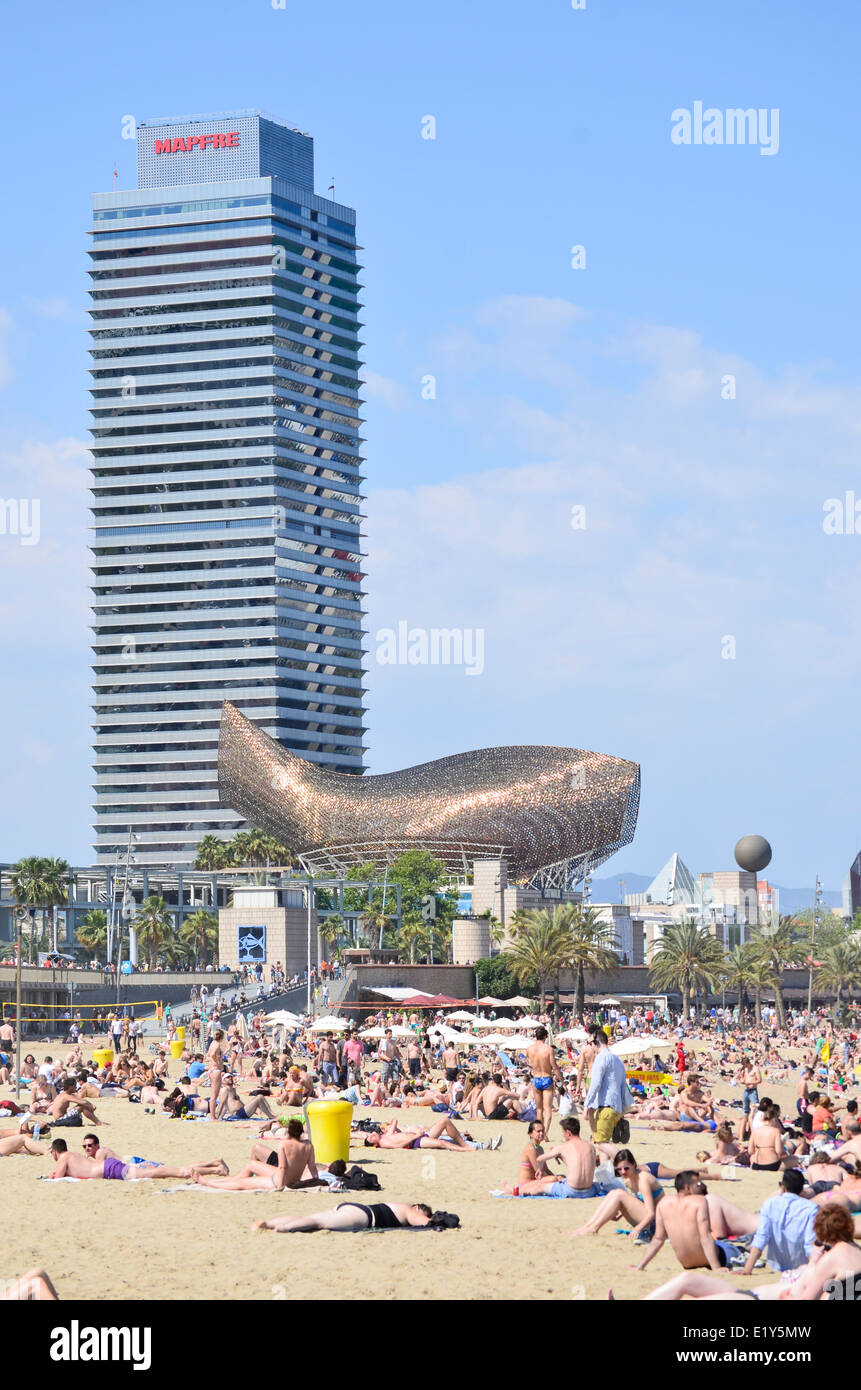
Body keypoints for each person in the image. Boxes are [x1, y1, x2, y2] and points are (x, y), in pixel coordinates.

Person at [635, 1203, 861, 1302]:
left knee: (687, 1285)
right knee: (686, 1279)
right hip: (751, 1293)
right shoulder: (848, 1256)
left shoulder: (833, 1258)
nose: (819, 1247)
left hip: (754, 1298)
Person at [635, 1171, 734, 1274]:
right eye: (698, 1184)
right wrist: (716, 1268)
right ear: (687, 1188)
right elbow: (705, 1237)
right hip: (710, 1259)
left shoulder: (663, 1203)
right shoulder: (699, 1201)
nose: (701, 1186)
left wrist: (640, 1266)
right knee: (733, 1248)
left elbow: (658, 1239)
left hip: (687, 1264)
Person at [570, 1147, 664, 1239]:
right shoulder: (628, 1180)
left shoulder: (643, 1180)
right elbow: (639, 1202)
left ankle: (594, 1228)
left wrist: (637, 1229)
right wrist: (619, 1212)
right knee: (613, 1193)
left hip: (657, 1225)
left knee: (619, 1193)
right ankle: (588, 1226)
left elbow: (651, 1213)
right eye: (619, 1169)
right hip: (647, 1220)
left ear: (634, 1164)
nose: (623, 1172)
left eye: (626, 1168)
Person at [740, 1167, 818, 1274]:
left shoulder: (770, 1204)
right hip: (802, 1265)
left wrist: (747, 1269)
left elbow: (761, 1238)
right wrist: (813, 1269)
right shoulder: (811, 1208)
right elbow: (810, 1243)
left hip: (777, 1266)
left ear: (783, 1187)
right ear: (801, 1191)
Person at [46, 1138, 227, 1182]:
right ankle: (214, 1168)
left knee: (158, 1172)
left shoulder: (64, 1157)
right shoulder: (75, 1156)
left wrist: (52, 1175)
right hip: (114, 1166)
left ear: (55, 1151)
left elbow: (59, 1178)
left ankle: (208, 1171)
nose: (87, 1149)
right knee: (158, 1171)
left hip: (114, 1169)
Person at [253, 1201, 435, 1233]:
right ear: (417, 1207)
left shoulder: (397, 1205)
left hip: (353, 1208)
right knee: (318, 1223)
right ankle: (283, 1228)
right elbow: (425, 1223)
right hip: (364, 1216)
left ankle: (268, 1223)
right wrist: (435, 1221)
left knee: (308, 1217)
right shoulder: (409, 1209)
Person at [584, 1024, 631, 1146]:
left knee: (602, 1144)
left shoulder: (601, 1058)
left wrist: (587, 1105)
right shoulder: (617, 1060)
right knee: (603, 1144)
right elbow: (623, 1086)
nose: (590, 1046)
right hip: (617, 1108)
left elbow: (595, 1083)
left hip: (606, 1106)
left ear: (596, 1042)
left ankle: (620, 1162)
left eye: (590, 1043)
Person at [526, 1026, 563, 1135]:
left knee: (539, 1109)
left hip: (536, 1079)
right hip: (547, 1078)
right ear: (545, 1036)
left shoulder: (529, 1049)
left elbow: (529, 1063)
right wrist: (562, 1082)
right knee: (548, 1110)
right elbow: (554, 1067)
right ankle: (545, 1133)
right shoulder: (549, 1049)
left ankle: (538, 1133)